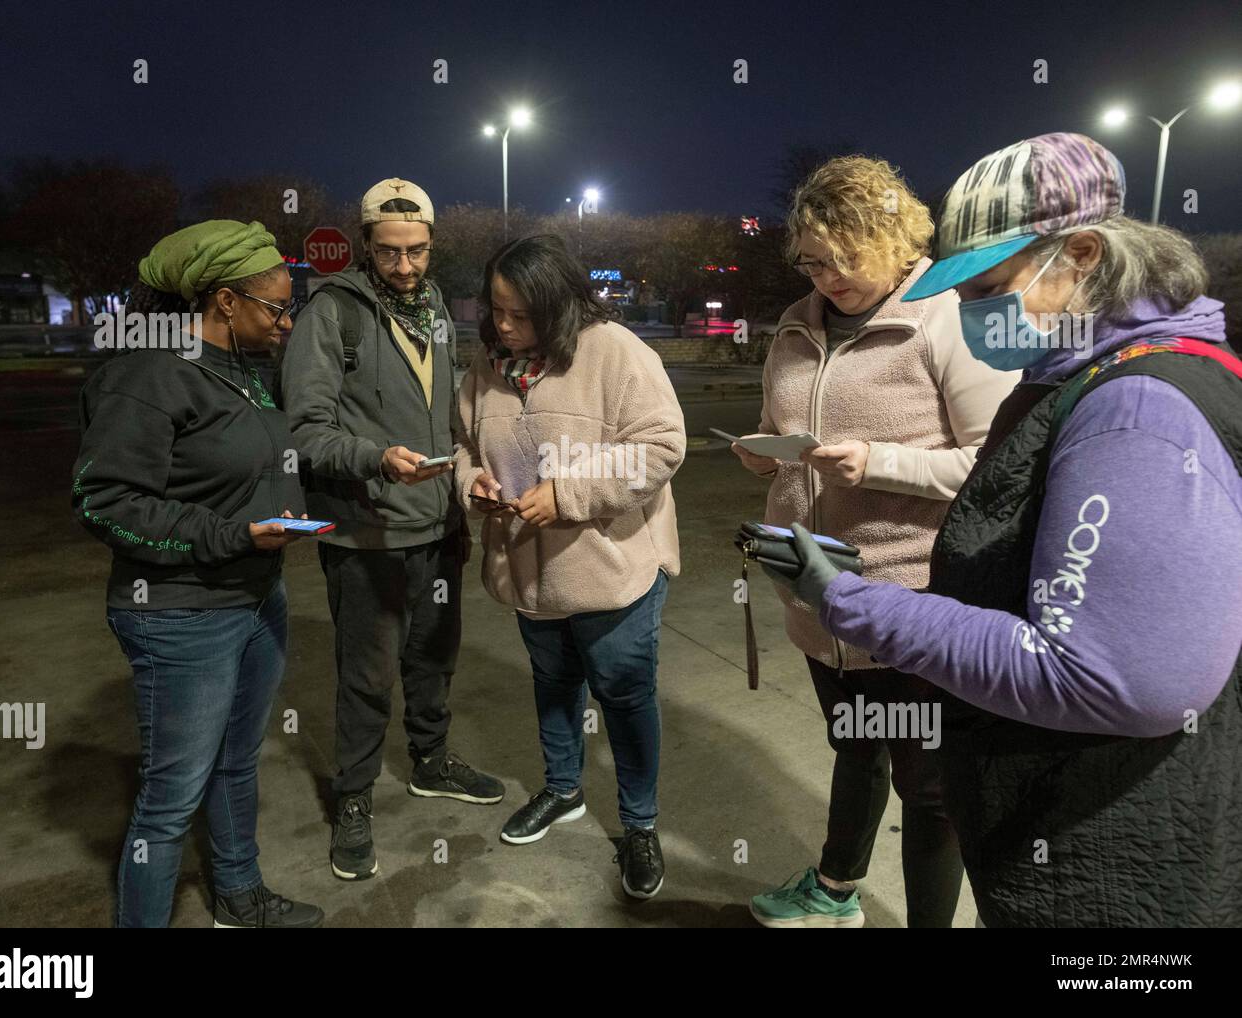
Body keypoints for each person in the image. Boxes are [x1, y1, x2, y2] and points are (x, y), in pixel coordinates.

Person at [767, 133, 1242, 928]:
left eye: (988, 286)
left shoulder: (1138, 411)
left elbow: (1115, 679)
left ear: (1082, 253)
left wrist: (852, 602)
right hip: (1074, 825)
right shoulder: (1088, 375)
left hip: (1112, 874)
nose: (969, 310)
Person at [736, 156, 1018, 928]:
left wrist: (880, 464)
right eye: (813, 261)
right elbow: (784, 421)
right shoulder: (795, 326)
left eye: (845, 258)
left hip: (916, 609)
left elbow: (1000, 464)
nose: (828, 277)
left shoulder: (952, 318)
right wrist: (765, 452)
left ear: (894, 240)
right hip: (822, 600)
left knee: (929, 790)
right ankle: (833, 893)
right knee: (856, 747)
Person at [72, 220, 323, 928]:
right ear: (223, 301)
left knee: (235, 763)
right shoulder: (147, 375)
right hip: (180, 614)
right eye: (275, 307)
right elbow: (105, 502)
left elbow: (254, 465)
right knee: (169, 799)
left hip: (255, 598)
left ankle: (240, 898)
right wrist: (228, 535)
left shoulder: (241, 367)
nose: (287, 319)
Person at [280, 178, 503, 883]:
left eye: (418, 252)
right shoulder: (331, 313)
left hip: (436, 525)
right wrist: (374, 458)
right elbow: (305, 431)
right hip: (364, 534)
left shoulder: (435, 304)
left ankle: (431, 762)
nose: (406, 266)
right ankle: (353, 798)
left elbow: (442, 410)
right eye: (390, 252)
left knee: (433, 657)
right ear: (364, 243)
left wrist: (458, 497)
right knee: (367, 678)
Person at [454, 234, 686, 899]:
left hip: (611, 572)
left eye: (520, 314)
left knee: (623, 693)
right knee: (553, 684)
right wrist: (472, 484)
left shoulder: (615, 352)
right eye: (496, 310)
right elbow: (465, 446)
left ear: (559, 306)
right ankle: (563, 790)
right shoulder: (487, 369)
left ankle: (639, 823)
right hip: (529, 574)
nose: (503, 326)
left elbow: (661, 448)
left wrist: (570, 495)